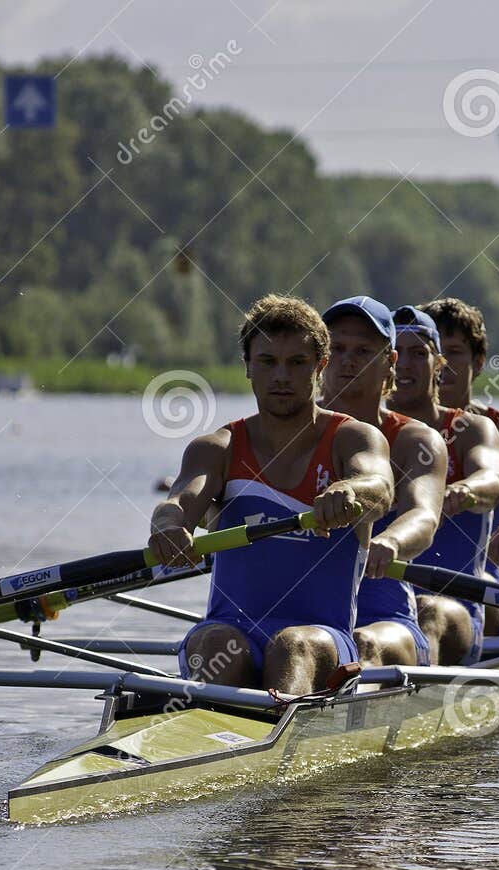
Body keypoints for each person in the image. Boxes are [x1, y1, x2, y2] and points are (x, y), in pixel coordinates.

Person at [149, 294, 393, 695]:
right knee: (214, 644)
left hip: (322, 640)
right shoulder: (217, 448)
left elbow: (379, 487)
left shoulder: (352, 438)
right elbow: (177, 504)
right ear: (248, 366)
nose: (281, 376)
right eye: (267, 362)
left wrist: (347, 490)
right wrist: (168, 527)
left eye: (297, 363)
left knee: (291, 645)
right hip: (229, 635)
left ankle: (262, 739)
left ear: (320, 367)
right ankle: (204, 734)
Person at [319, 294, 447, 667]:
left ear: (389, 362)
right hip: (300, 618)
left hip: (386, 619)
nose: (348, 361)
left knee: (361, 643)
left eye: (362, 350)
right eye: (338, 348)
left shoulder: (416, 441)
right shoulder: (287, 434)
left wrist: (390, 540)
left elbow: (424, 517)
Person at [385, 305, 499, 664]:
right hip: (379, 608)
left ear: (438, 366)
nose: (404, 365)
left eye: (418, 354)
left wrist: (467, 490)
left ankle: (406, 702)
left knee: (427, 611)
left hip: (455, 608)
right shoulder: (364, 434)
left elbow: (494, 480)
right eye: (397, 354)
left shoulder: (472, 429)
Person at [422, 297, 499, 638]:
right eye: (433, 351)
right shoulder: (384, 430)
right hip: (396, 584)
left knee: (466, 589)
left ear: (478, 363)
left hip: (478, 588)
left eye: (455, 352)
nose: (442, 364)